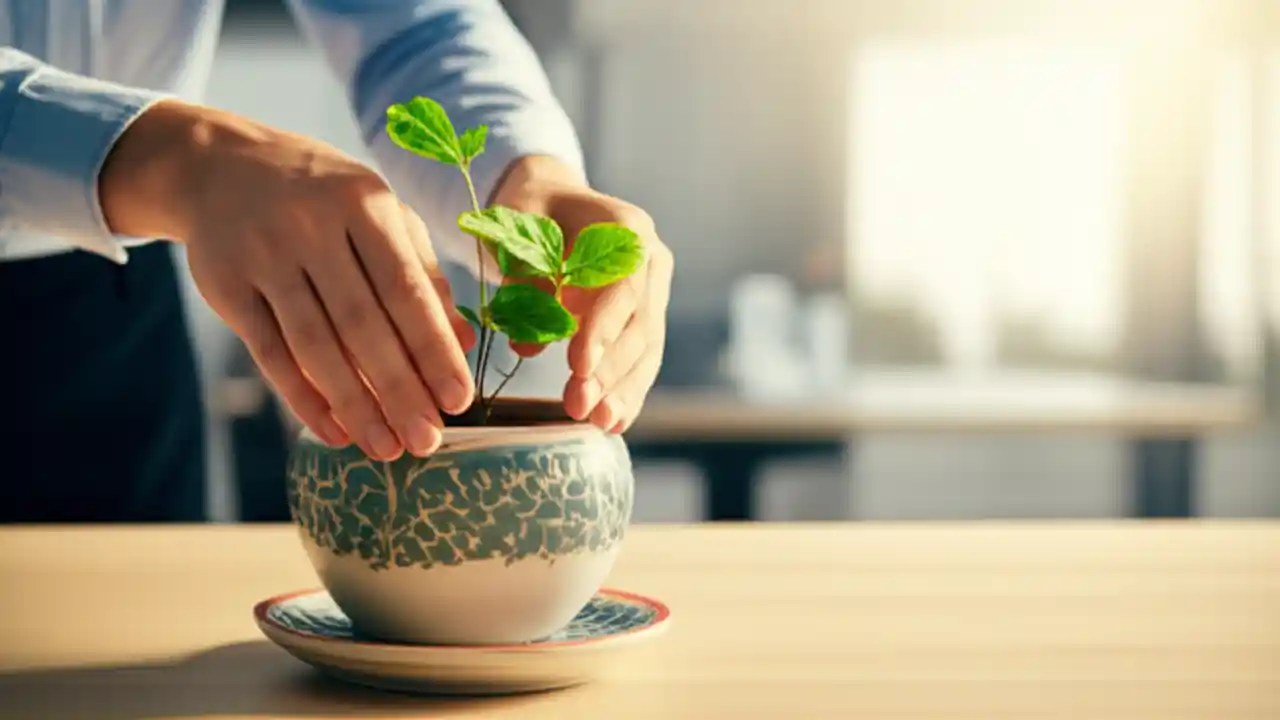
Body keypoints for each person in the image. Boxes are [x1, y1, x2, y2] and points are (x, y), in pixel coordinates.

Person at [0, 1, 673, 522]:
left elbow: (415, 24)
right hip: (143, 226)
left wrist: (528, 173)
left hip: (111, 307)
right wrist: (182, 155)